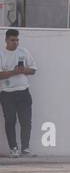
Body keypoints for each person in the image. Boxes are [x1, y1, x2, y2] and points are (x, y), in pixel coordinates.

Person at [0, 28, 37, 157]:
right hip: (7, 93)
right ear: (6, 40)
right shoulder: (1, 54)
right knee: (10, 121)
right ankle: (13, 148)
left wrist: (23, 70)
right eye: (12, 40)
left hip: (23, 92)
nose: (15, 42)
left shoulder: (24, 52)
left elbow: (33, 70)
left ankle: (25, 148)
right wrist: (13, 72)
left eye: (17, 40)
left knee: (26, 121)